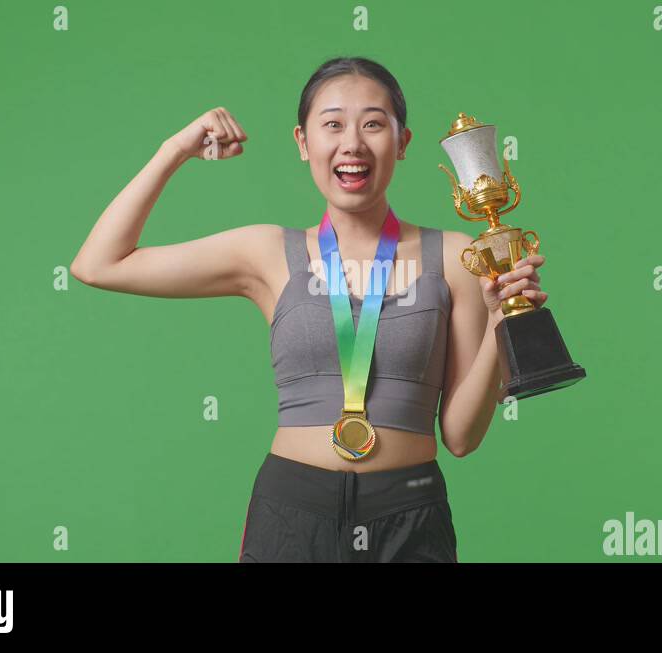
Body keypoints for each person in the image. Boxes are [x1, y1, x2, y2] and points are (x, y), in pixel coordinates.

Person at [70, 56, 548, 563]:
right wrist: (175, 151)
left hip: (410, 516)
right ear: (303, 142)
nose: (353, 144)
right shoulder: (266, 253)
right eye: (333, 124)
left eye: (373, 124)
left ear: (402, 143)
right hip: (292, 515)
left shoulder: (458, 256)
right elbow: (99, 263)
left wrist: (501, 321)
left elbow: (460, 437)